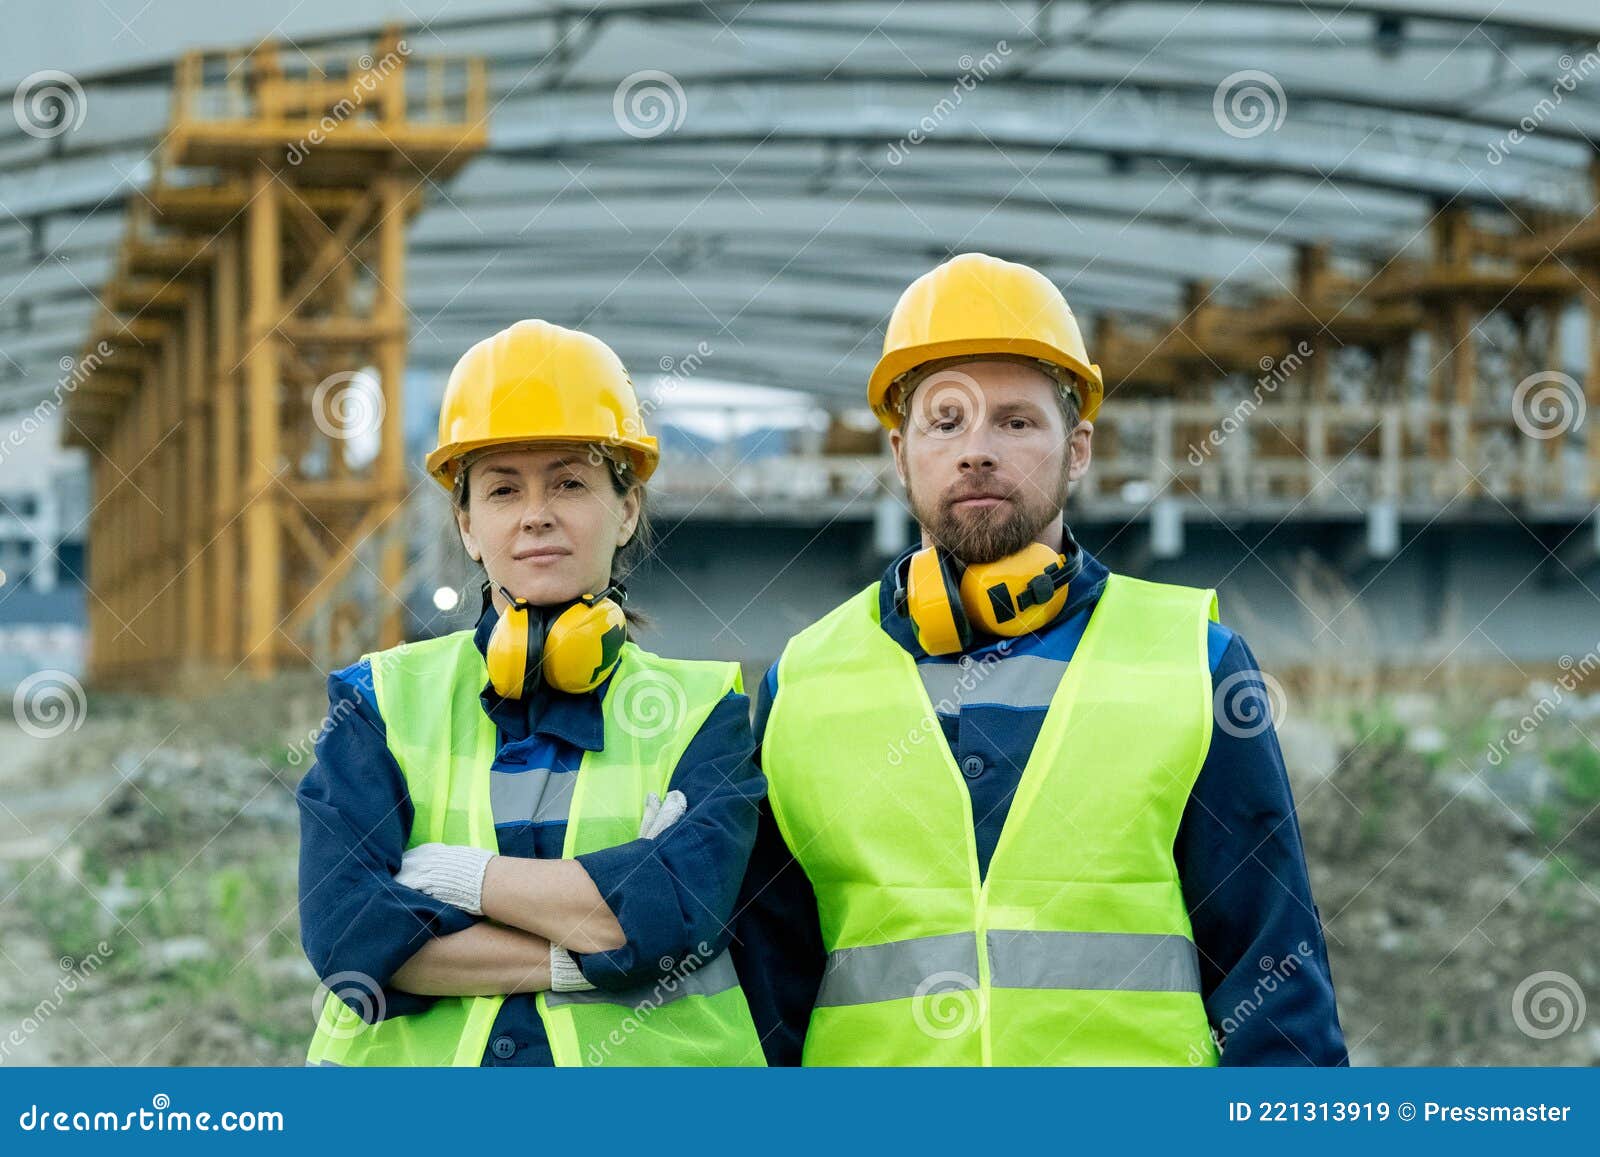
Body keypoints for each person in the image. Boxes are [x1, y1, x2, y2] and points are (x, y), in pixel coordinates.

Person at [732, 252, 1349, 1066]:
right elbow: (763, 1000)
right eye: (945, 422)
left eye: (1016, 422)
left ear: (1080, 446)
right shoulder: (802, 683)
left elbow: (1273, 979)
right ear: (898, 451)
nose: (977, 451)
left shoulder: (1193, 665)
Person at [297, 319, 766, 1066]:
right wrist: (594, 941)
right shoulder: (378, 701)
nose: (535, 512)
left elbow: (678, 913)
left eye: (570, 482)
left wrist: (458, 875)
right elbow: (350, 936)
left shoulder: (705, 714)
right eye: (503, 488)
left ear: (628, 508)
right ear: (468, 524)